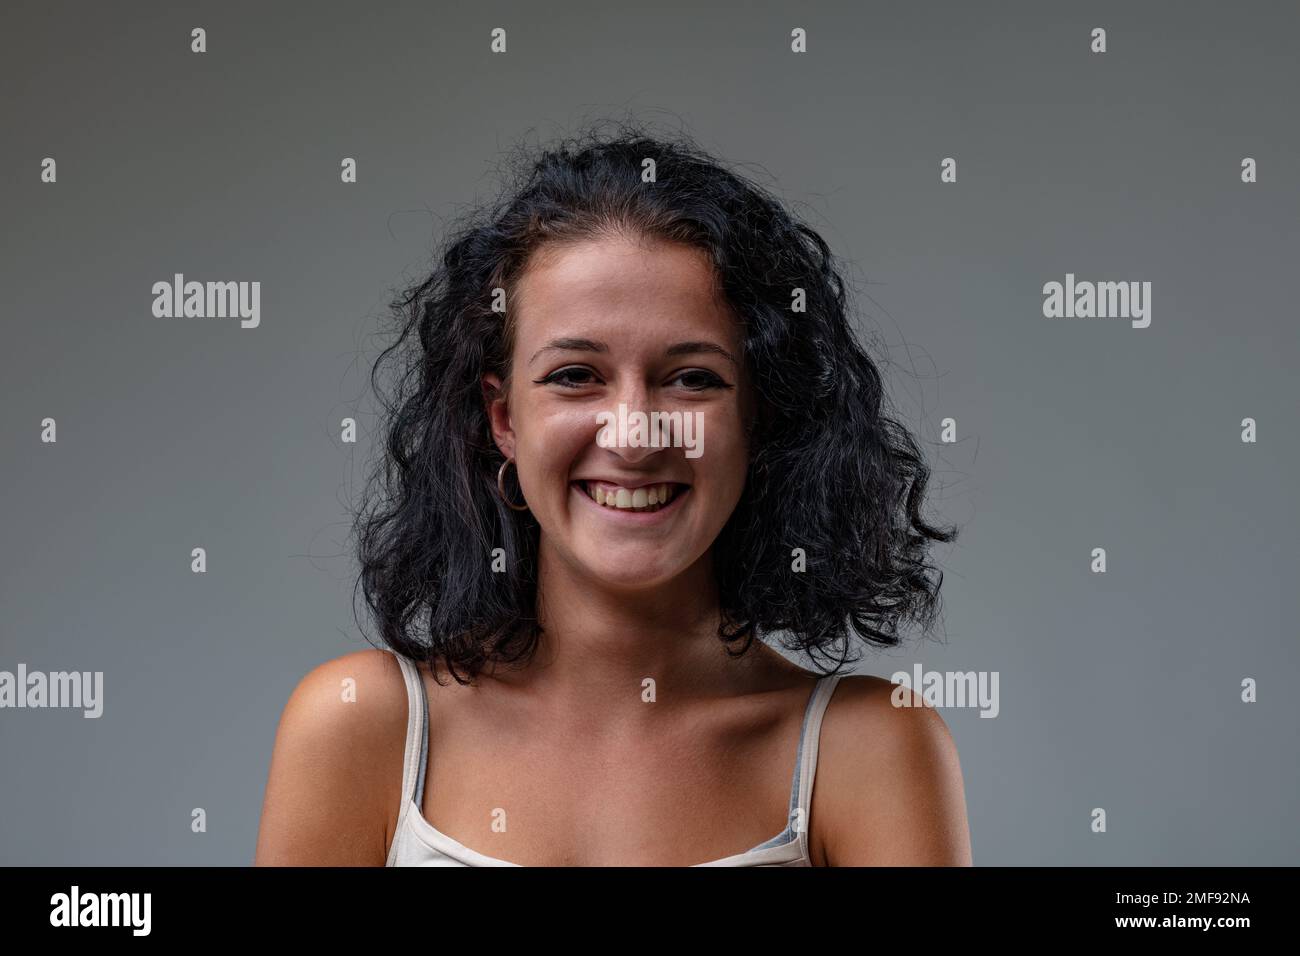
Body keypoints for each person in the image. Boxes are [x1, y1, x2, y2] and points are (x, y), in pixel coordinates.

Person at [255, 122, 972, 866]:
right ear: (504, 419)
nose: (634, 436)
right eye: (575, 376)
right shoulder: (360, 727)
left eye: (693, 378)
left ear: (756, 420)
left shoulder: (871, 748)